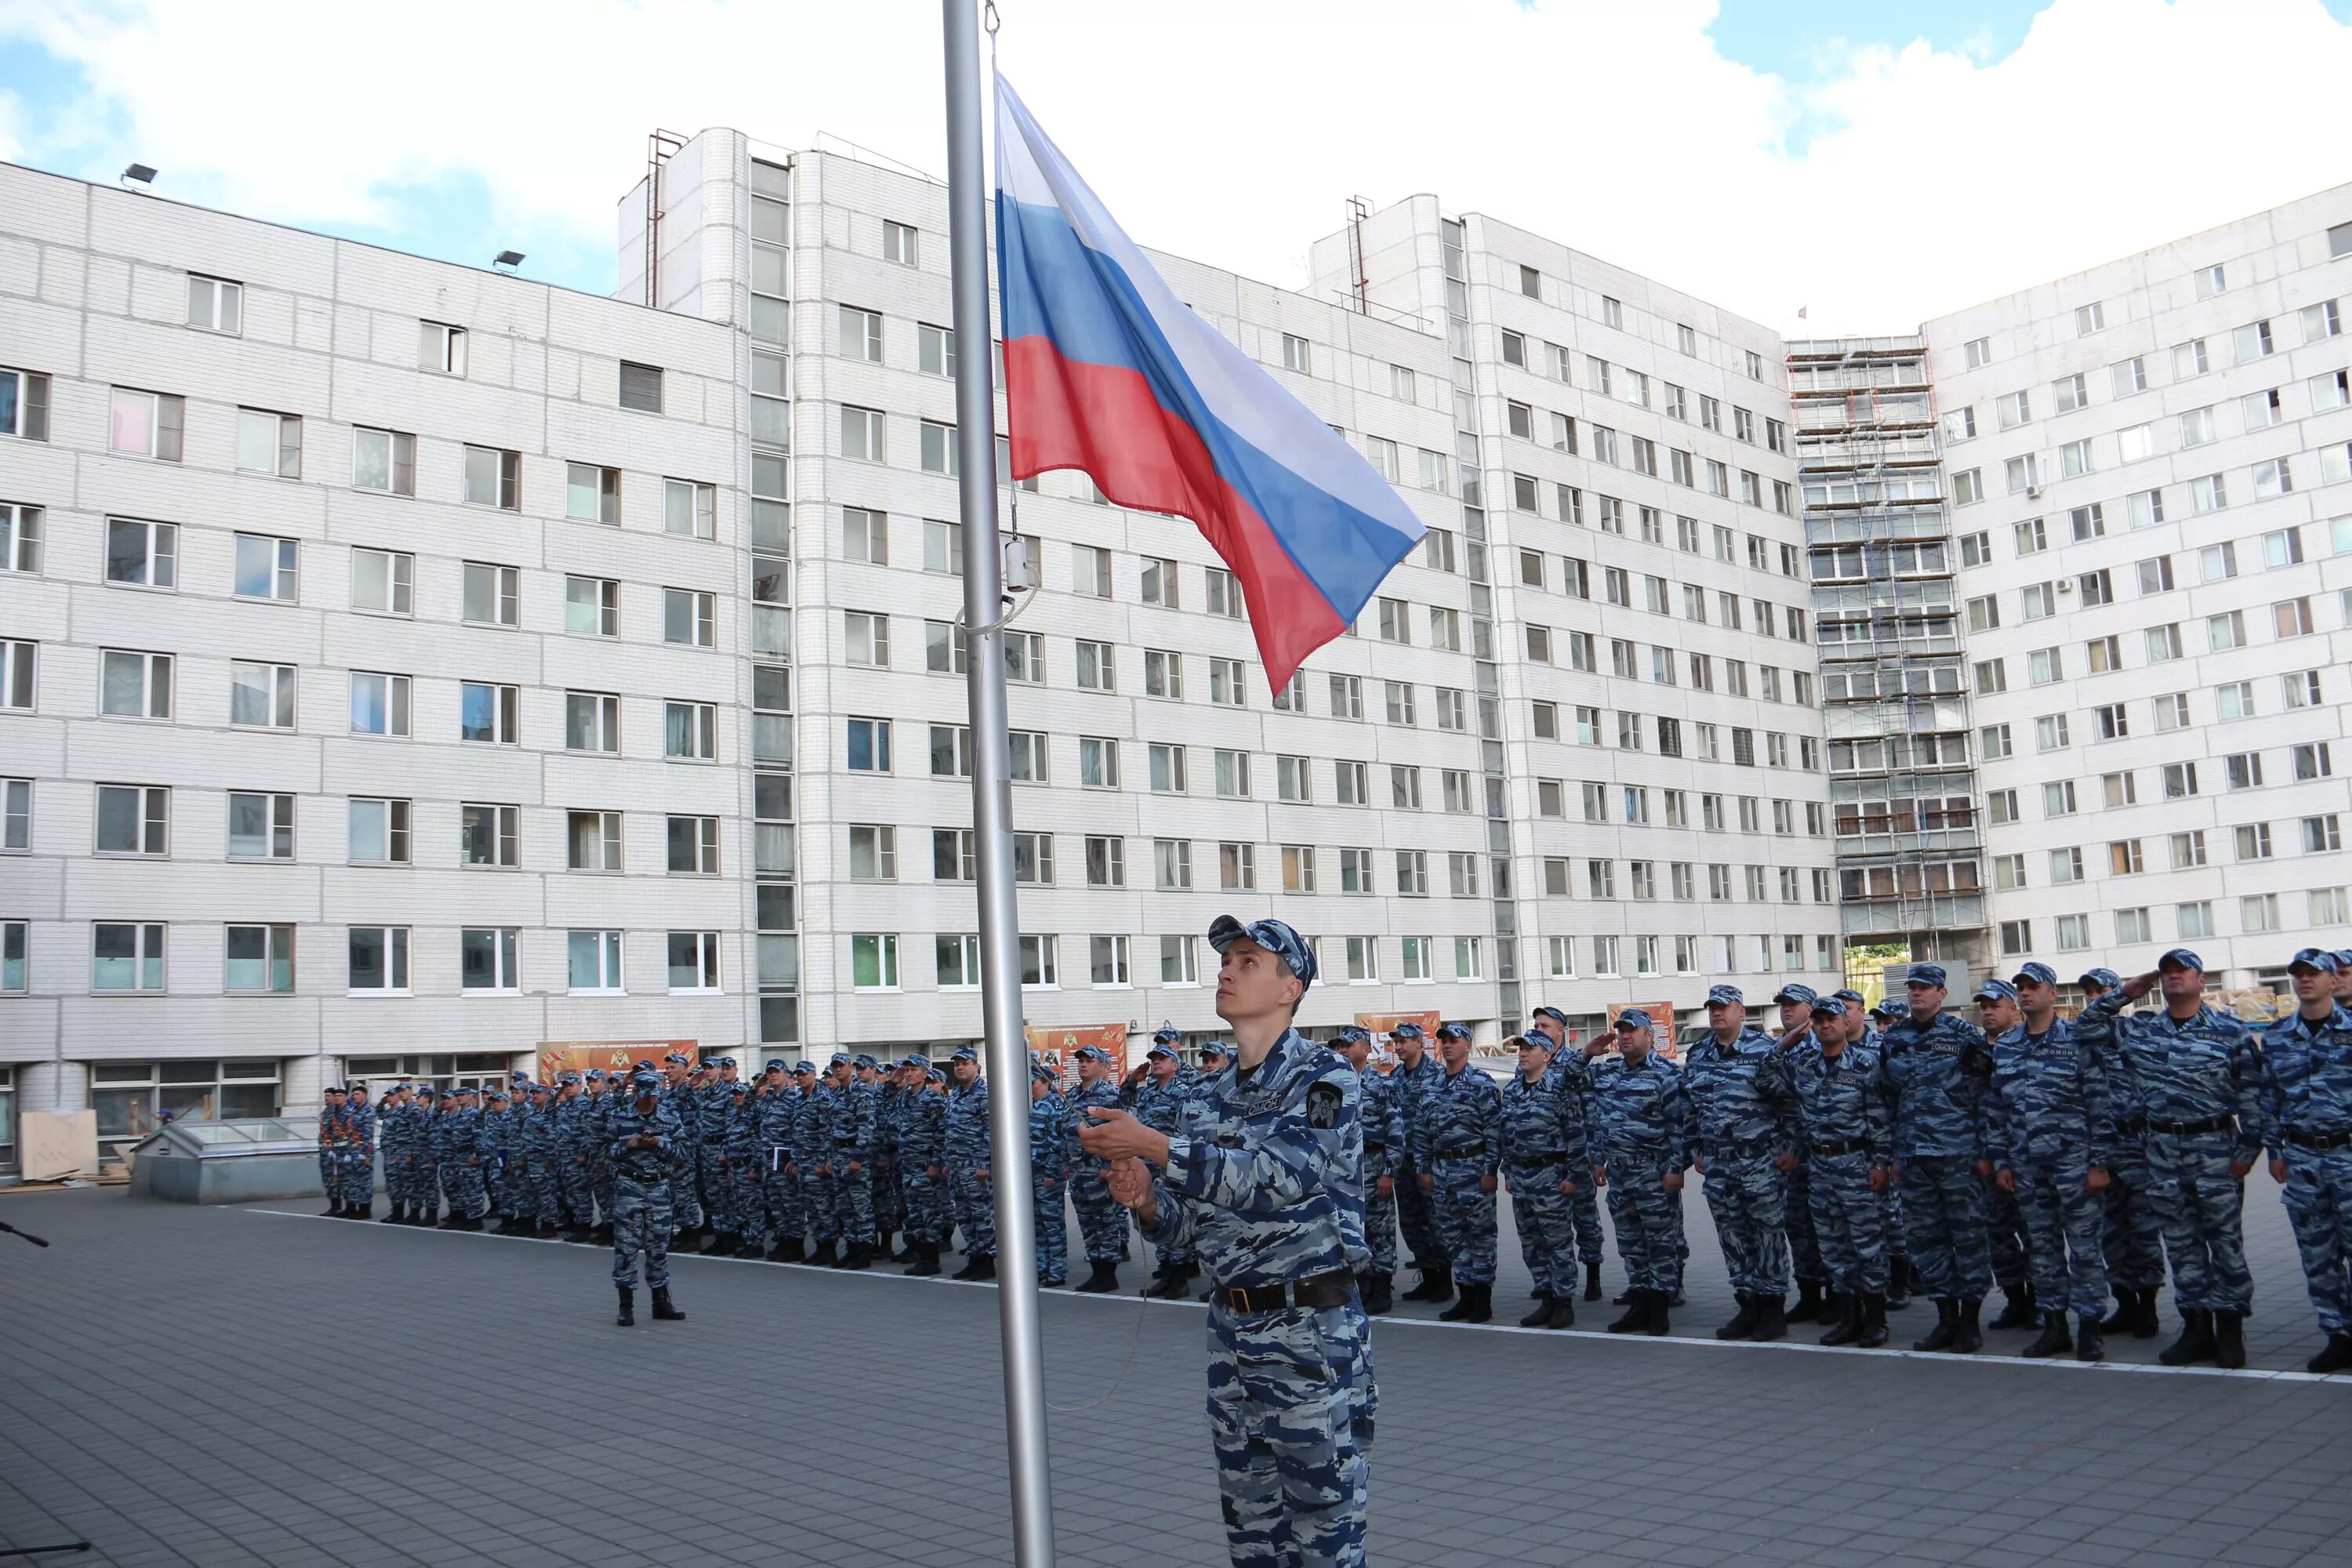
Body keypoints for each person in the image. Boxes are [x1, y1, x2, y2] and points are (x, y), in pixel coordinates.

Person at [1080, 914, 1374, 1568]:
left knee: (1323, 1533)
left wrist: (1154, 1146)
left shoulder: (1326, 1080)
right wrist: (1150, 1199)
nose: (1226, 971)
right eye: (1226, 961)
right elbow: (1193, 1227)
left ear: (1290, 988)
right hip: (1232, 1335)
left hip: (1309, 1333)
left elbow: (1282, 1176)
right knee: (1252, 1532)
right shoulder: (1206, 1096)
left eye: (1247, 962)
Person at [2074, 949, 2263, 1368]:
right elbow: (2085, 1028)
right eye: (2167, 972)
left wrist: (2247, 1152)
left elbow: (2253, 1094)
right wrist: (2124, 993)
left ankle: (2230, 1330)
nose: (2174, 977)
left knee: (2225, 1244)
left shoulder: (2229, 1030)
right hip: (2161, 1149)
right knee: (2181, 1245)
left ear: (2201, 981)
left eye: (2183, 971)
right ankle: (2196, 1328)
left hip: (2214, 1146)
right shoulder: (2141, 1031)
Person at [1985, 966, 2111, 1361]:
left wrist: (2099, 1162)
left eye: (2032, 987)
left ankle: (2090, 1326)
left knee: (2085, 1248)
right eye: (2019, 987)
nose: (2024, 993)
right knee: (2043, 1249)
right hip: (2026, 1164)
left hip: (2073, 1162)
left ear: (2053, 993)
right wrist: (2001, 1160)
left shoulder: (2076, 1040)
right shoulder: (2007, 1045)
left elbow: (2099, 1104)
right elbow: (1997, 1109)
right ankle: (2055, 1326)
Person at [1878, 963, 1997, 1348]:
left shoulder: (1964, 1035)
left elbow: (1985, 1096)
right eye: (1912, 987)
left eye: (1925, 988)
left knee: (1967, 1238)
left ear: (1942, 994)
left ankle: (1970, 1322)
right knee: (1927, 1241)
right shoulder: (1894, 1036)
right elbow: (1888, 1099)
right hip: (1913, 1155)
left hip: (1958, 1154)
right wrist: (1894, 1153)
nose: (1917, 993)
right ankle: (1945, 1319)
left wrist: (1984, 1150)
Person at [1682, 984, 1795, 1341]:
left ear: (1741, 1012)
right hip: (1718, 1163)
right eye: (1712, 1008)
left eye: (1724, 1007)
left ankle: (1773, 1308)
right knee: (1731, 1235)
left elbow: (1789, 1104)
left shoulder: (1765, 1051)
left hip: (1759, 1160)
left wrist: (1788, 1148)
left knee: (1767, 1234)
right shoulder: (1698, 1053)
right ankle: (1747, 1304)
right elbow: (1689, 1106)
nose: (1717, 1013)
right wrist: (1694, 1148)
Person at [2257, 949, 2352, 1373]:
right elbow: (2269, 1097)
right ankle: (2339, 1335)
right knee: (2318, 1254)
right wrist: (2275, 1151)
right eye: (2298, 974)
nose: (2305, 980)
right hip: (2302, 1157)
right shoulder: (2277, 1036)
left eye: (2314, 973)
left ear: (2334, 980)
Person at [1783, 997, 1892, 1348]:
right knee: (1833, 1247)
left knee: (1867, 1246)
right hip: (1820, 1168)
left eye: (1832, 1019)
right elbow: (1790, 1105)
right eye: (1818, 1020)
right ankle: (1849, 1317)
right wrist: (1785, 1043)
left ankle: (1876, 1319)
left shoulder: (1866, 1064)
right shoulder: (1804, 1065)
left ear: (1846, 1024)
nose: (1825, 1025)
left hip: (1857, 1165)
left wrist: (1881, 1164)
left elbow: (1880, 1119)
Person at [1587, 1009, 1690, 1336]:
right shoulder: (1607, 1072)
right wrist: (1586, 1054)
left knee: (1660, 1243)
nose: (1625, 1036)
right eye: (1621, 1031)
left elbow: (1680, 1126)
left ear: (1650, 1035)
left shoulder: (1666, 1073)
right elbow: (1568, 1082)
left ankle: (1660, 1309)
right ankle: (1640, 1304)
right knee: (1631, 1244)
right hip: (1619, 1174)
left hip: (1654, 1173)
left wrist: (1676, 1169)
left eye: (1633, 1030)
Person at [2078, 965, 2162, 1338]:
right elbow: (2091, 1019)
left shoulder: (2137, 1029)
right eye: (2090, 992)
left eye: (2102, 990)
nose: (2095, 998)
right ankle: (2125, 1304)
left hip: (2137, 1145)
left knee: (2143, 1231)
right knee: (2110, 1232)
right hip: (2100, 1148)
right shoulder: (2082, 1035)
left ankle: (2149, 1307)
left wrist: (2126, 996)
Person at [1497, 1031, 1588, 1329]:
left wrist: (1574, 1176)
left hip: (1551, 1175)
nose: (1523, 1053)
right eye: (1521, 1048)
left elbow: (1575, 1135)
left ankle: (1564, 1303)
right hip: (1522, 1177)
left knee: (1557, 1242)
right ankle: (1546, 1298)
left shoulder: (1559, 1088)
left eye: (1531, 1049)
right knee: (1531, 1243)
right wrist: (1508, 1172)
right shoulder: (1512, 1091)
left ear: (1547, 1056)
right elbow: (1506, 1136)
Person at [1414, 1022, 1500, 1323]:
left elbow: (1493, 1130)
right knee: (1453, 1237)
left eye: (1454, 1040)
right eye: (1444, 1041)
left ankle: (1482, 1300)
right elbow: (1422, 1130)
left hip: (1473, 1168)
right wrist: (1423, 1167)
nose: (1447, 1045)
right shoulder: (1431, 1085)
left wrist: (1491, 1170)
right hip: (1442, 1170)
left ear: (1467, 1044)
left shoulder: (1481, 1083)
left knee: (1480, 1236)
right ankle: (1464, 1296)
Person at [1528, 1006, 1605, 1301]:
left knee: (1585, 1218)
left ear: (1561, 1031)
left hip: (1576, 1156)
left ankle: (1593, 1274)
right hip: (1545, 1159)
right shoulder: (1534, 1060)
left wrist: (1595, 1157)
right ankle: (1551, 1279)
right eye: (1536, 1025)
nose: (1539, 1030)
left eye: (1545, 1026)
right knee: (1547, 1223)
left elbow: (1591, 1111)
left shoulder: (1576, 1063)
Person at [1971, 982, 2035, 1329]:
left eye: (1996, 1005)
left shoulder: (2028, 1046)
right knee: (1997, 1233)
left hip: (2026, 1155)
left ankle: (2041, 1300)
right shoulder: (1972, 1051)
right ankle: (2015, 1299)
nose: (1988, 1012)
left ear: (2014, 1010)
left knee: (2035, 1233)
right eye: (1984, 1007)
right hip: (1985, 1159)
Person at [608, 1069, 687, 1326]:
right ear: (638, 1094)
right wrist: (625, 1146)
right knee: (627, 1247)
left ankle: (661, 1302)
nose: (652, 1100)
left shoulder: (669, 1118)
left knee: (659, 1247)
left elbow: (683, 1154)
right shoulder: (620, 1118)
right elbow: (604, 1151)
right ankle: (625, 1305)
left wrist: (658, 1144)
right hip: (629, 1186)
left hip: (658, 1189)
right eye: (647, 1096)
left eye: (655, 1095)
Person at [1122, 1030, 1196, 1297]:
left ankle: (1179, 1278)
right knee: (1157, 1219)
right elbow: (1124, 1107)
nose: (1156, 1062)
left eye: (1163, 1058)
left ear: (1175, 1065)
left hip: (1172, 1164)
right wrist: (1132, 1081)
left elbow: (1191, 1129)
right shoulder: (1147, 1092)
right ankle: (1165, 1273)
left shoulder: (1185, 1092)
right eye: (1154, 1058)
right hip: (1149, 1167)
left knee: (1176, 1215)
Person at [1771, 984, 1828, 1323]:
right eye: (1783, 1005)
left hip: (1820, 1153)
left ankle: (1837, 1295)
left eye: (1794, 1005)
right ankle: (1809, 1294)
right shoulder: (1778, 1048)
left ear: (1811, 1008)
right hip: (1788, 1157)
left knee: (1828, 1228)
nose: (1787, 1010)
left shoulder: (1821, 1044)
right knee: (1798, 1228)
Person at [1334, 1028, 1399, 1314]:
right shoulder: (1335, 1084)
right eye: (1340, 1046)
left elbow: (1396, 1132)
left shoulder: (1382, 1085)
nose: (1344, 1051)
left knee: (1381, 1229)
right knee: (1353, 1228)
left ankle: (1383, 1289)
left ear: (1366, 1049)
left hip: (1374, 1163)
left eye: (1349, 1045)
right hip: (1346, 1170)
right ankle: (1364, 1284)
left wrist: (1389, 1171)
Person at [1387, 1021, 1452, 1306]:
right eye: (1395, 1042)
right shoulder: (1395, 1076)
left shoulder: (1438, 1075)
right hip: (1404, 1162)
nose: (1398, 1047)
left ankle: (1444, 1281)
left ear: (1419, 1043)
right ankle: (1427, 1276)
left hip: (1428, 1161)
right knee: (1411, 1222)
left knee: (1436, 1221)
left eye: (1403, 1041)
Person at [1065, 1044, 1129, 1294]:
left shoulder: (1110, 1095)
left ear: (1102, 1066)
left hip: (1099, 1172)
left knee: (1106, 1222)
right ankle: (1096, 1270)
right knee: (1087, 1223)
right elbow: (1065, 1132)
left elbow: (1119, 1134)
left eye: (1090, 1060)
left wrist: (1108, 1165)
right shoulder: (1072, 1095)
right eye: (1080, 1060)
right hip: (1078, 1171)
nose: (1083, 1064)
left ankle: (1108, 1274)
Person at [946, 1045, 996, 1280]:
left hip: (976, 1167)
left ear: (976, 1066)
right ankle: (975, 1257)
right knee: (964, 1216)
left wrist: (985, 1164)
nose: (960, 1067)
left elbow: (991, 1131)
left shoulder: (985, 1095)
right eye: (957, 1063)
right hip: (957, 1165)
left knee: (982, 1215)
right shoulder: (955, 1095)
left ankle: (987, 1260)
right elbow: (950, 1130)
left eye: (965, 1063)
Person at [899, 1063, 952, 1276]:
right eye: (907, 1070)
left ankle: (932, 1260)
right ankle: (921, 1257)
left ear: (925, 1073)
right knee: (915, 1215)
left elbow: (941, 1133)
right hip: (909, 1166)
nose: (910, 1074)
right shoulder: (905, 1098)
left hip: (925, 1166)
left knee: (930, 1213)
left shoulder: (933, 1099)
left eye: (914, 1070)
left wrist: (935, 1163)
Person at [1029, 1058, 1070, 1287]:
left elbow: (1057, 1144)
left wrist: (1051, 1173)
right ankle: (1041, 1267)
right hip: (1030, 1173)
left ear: (1045, 1083)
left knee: (1052, 1223)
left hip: (1046, 1174)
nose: (1030, 1086)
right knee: (1036, 1224)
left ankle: (1057, 1269)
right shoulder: (1028, 1104)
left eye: (1033, 1082)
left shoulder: (1054, 1106)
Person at [339, 1083, 376, 1219]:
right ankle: (353, 1207)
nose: (355, 1096)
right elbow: (349, 1132)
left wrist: (364, 1152)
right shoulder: (354, 1111)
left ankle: (365, 1209)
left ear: (365, 1096)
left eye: (358, 1094)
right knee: (353, 1180)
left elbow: (368, 1134)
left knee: (364, 1181)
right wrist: (349, 1151)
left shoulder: (368, 1111)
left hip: (363, 1151)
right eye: (353, 1094)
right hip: (353, 1149)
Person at [318, 1084, 346, 1216]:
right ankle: (333, 1204)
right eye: (326, 1096)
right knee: (327, 1179)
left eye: (329, 1096)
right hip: (325, 1150)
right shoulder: (325, 1112)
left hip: (334, 1150)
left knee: (335, 1179)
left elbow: (338, 1132)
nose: (327, 1098)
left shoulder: (336, 1113)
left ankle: (337, 1206)